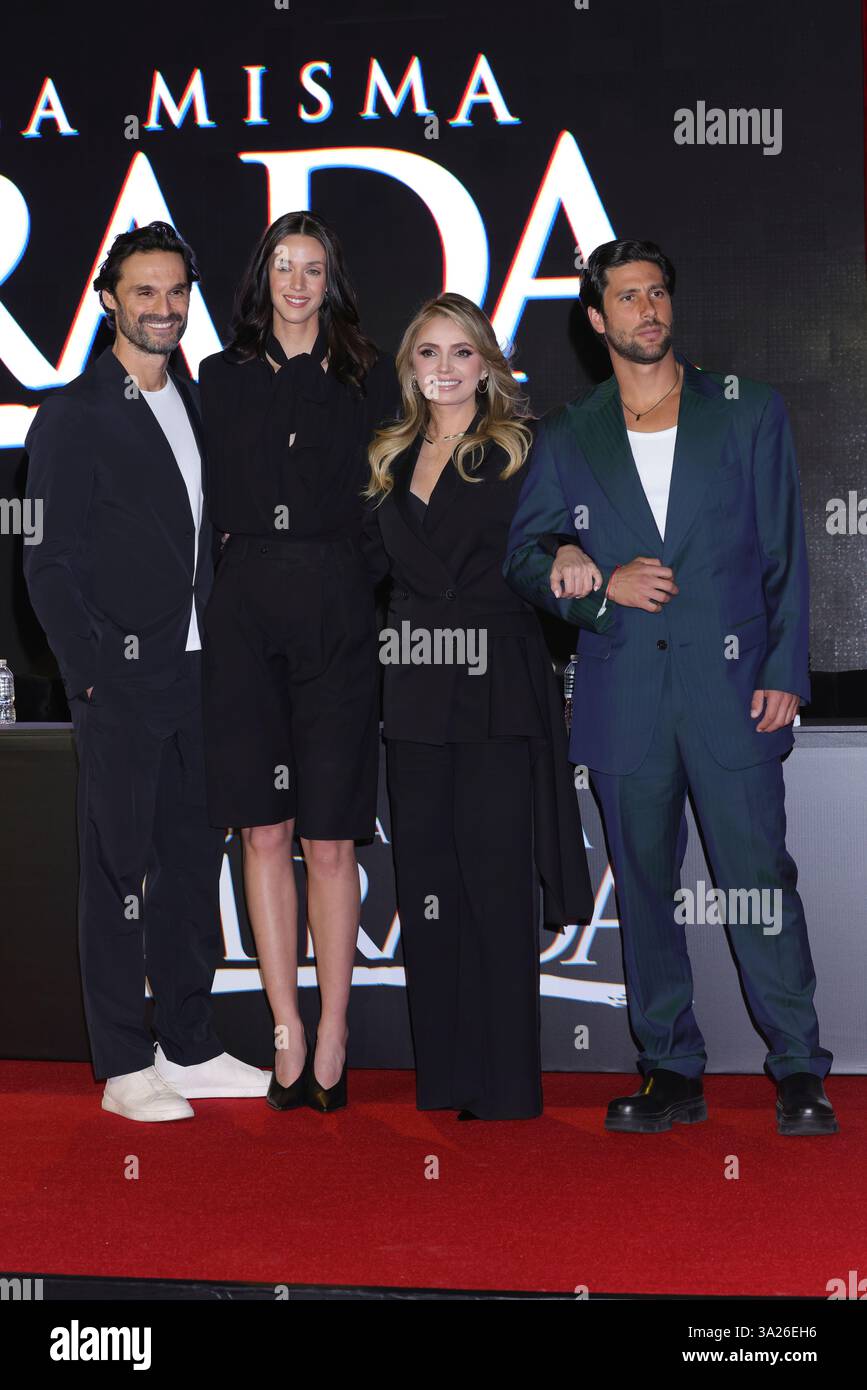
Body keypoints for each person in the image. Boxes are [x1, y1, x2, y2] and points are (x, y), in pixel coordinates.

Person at [505, 238, 836, 1137]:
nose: (646, 310)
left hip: (734, 693)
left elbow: (784, 554)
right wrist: (593, 582)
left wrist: (781, 674)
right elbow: (525, 557)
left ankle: (799, 1069)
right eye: (626, 297)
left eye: (656, 294)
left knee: (757, 882)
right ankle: (668, 1071)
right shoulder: (569, 433)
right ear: (595, 317)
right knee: (645, 890)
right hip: (623, 699)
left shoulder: (747, 412)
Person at [23, 221, 268, 1121]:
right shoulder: (74, 414)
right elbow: (45, 563)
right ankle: (125, 1064)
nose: (162, 309)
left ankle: (191, 1043)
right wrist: (91, 675)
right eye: (144, 293)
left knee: (191, 865)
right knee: (116, 873)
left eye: (175, 292)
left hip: (203, 676)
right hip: (122, 682)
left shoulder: (197, 399)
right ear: (108, 302)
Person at [362, 292, 599, 1120]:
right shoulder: (385, 459)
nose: (444, 369)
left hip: (498, 679)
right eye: (427, 353)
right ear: (409, 367)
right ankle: (447, 1077)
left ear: (487, 364)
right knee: (426, 883)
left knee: (494, 883)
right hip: (415, 689)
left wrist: (571, 547)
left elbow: (565, 532)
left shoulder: (523, 448)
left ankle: (504, 1087)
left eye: (460, 353)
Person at [198, 212, 397, 1112]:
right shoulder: (218, 376)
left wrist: (362, 587)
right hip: (242, 609)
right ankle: (283, 1021)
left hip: (336, 609)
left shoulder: (366, 375)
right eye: (283, 266)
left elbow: (388, 501)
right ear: (261, 277)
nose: (297, 283)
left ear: (332, 282)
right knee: (263, 830)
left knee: (328, 834)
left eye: (313, 268)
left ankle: (335, 1026)